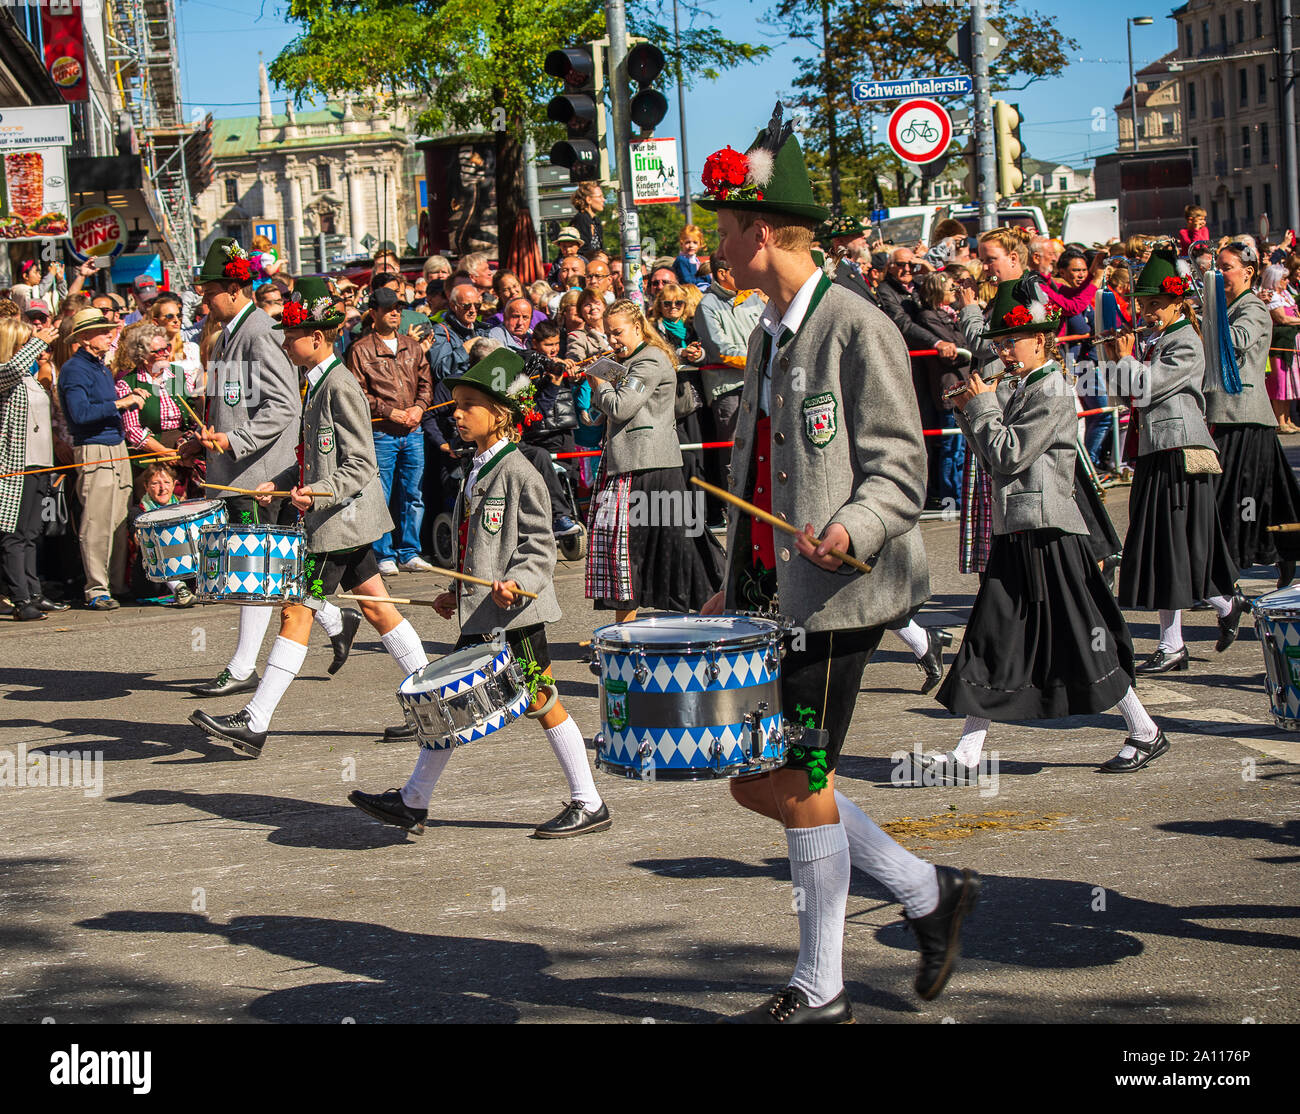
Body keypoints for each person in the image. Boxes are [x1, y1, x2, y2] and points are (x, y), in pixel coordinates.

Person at [695, 106, 978, 1023]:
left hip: (840, 594)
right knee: (753, 776)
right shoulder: (770, 329)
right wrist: (731, 574)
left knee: (804, 777)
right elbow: (760, 459)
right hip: (773, 588)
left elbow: (902, 468)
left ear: (769, 233)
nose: (716, 246)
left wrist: (853, 528)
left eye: (726, 230)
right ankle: (930, 892)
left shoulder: (857, 326)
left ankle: (821, 988)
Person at [348, 348, 611, 838]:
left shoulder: (519, 470)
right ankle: (413, 800)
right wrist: (455, 590)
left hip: (515, 617)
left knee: (541, 699)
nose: (457, 413)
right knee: (448, 702)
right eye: (456, 403)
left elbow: (539, 545)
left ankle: (589, 800)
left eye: (469, 404)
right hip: (482, 612)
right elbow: (478, 546)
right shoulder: (478, 466)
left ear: (502, 415)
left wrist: (521, 584)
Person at [931, 279, 1165, 783]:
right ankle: (969, 751)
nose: (1004, 351)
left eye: (1013, 341)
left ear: (1042, 340)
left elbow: (1011, 454)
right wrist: (966, 409)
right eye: (999, 343)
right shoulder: (1018, 388)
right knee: (996, 632)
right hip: (1018, 528)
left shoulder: (1054, 389)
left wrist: (982, 408)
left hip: (1050, 530)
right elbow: (993, 456)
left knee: (1082, 633)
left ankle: (1144, 728)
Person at [190, 280, 427, 756]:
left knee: (296, 610)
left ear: (317, 337)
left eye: (291, 334)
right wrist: (282, 479)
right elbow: (321, 456)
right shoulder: (317, 381)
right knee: (379, 609)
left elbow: (361, 462)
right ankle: (431, 703)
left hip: (339, 523)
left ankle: (255, 721)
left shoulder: (339, 385)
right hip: (342, 520)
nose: (282, 342)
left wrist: (315, 492)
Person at [183, 240, 362, 701]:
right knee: (268, 571)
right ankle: (333, 618)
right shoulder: (225, 333)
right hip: (233, 469)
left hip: (259, 471)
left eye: (208, 289)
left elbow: (283, 405)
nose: (203, 298)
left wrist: (235, 442)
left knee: (255, 570)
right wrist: (202, 444)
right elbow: (228, 407)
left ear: (231, 288)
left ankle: (245, 666)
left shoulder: (259, 330)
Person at [1113, 247, 1242, 675]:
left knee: (1173, 546)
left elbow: (1147, 387)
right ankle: (1223, 605)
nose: (1147, 312)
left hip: (1179, 452)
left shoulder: (1186, 341)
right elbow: (1125, 396)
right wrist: (1119, 360)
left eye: (1155, 305)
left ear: (1177, 302)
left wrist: (1128, 358)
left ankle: (1175, 643)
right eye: (1143, 305)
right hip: (1153, 451)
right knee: (1163, 547)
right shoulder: (1157, 340)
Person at [584, 298, 722, 621]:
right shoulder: (632, 361)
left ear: (637, 327)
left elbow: (621, 407)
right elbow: (608, 414)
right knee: (629, 553)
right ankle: (625, 629)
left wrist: (600, 385)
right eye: (607, 334)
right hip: (634, 464)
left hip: (652, 466)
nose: (611, 340)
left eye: (617, 332)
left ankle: (718, 617)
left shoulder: (651, 359)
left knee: (679, 552)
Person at [1203, 240, 1300, 589]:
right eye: (1219, 268)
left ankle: (1221, 575)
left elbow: (1236, 340)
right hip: (1239, 414)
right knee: (1274, 494)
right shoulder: (1231, 306)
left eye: (1226, 267)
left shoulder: (1253, 308)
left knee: (1228, 495)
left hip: (1242, 414)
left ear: (1248, 272)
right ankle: (1284, 552)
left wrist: (1201, 318)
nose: (1220, 274)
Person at [346, 285, 434, 575]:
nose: (395, 312)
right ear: (374, 313)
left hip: (412, 430)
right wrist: (389, 411)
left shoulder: (413, 345)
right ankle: (383, 553)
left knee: (415, 493)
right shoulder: (361, 349)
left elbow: (426, 383)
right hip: (382, 431)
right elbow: (358, 393)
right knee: (381, 495)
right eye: (387, 308)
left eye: (397, 307)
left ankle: (409, 551)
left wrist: (419, 407)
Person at [0, 316, 62, 620]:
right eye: (24, 342)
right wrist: (40, 341)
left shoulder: (30, 376)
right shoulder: (4, 373)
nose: (32, 348)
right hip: (14, 466)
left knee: (31, 533)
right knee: (13, 535)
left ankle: (34, 592)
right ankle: (20, 599)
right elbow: (10, 369)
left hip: (39, 463)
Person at [113, 321, 195, 494]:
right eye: (158, 351)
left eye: (167, 348)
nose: (165, 353)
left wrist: (188, 446)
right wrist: (164, 452)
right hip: (149, 456)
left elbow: (195, 417)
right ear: (142, 356)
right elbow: (132, 430)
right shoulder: (127, 384)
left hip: (184, 451)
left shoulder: (181, 375)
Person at [127, 462, 197, 607]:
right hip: (152, 581)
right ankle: (178, 587)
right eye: (155, 483)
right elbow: (139, 540)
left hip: (185, 573)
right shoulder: (137, 512)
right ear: (146, 486)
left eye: (166, 482)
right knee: (151, 539)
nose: (162, 488)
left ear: (174, 485)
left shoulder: (184, 511)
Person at [1260, 263, 1300, 433]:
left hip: (1289, 344)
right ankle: (1280, 421)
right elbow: (1282, 319)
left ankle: (1287, 418)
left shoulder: (1284, 295)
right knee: (1280, 383)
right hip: (1278, 346)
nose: (1286, 281)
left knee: (1289, 383)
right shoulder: (1271, 296)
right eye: (1283, 278)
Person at [570, 182, 605, 259]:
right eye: (600, 196)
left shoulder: (596, 221)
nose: (603, 200)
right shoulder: (581, 219)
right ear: (588, 199)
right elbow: (582, 250)